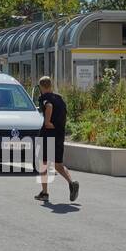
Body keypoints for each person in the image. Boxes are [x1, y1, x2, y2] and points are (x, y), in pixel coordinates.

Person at [34, 75, 78, 203]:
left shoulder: (44, 98)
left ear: (41, 87)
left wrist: (47, 122)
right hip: (59, 134)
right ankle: (72, 182)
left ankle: (45, 193)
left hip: (48, 134)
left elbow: (49, 106)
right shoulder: (60, 98)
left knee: (43, 164)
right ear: (50, 85)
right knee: (58, 164)